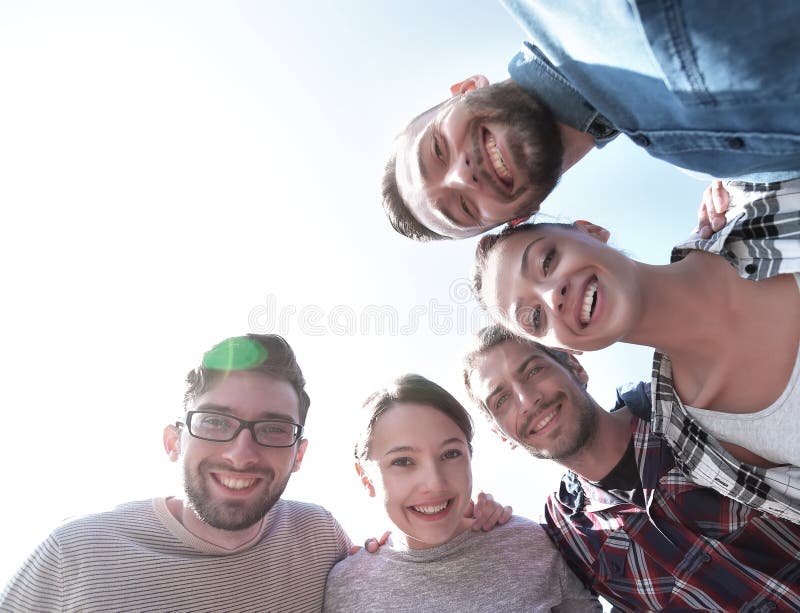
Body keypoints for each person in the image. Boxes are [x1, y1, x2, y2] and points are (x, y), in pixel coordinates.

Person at [0, 334, 508, 612]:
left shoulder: (317, 538)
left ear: (299, 454)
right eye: (216, 422)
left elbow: (399, 569)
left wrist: (465, 524)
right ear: (174, 441)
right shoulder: (75, 554)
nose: (242, 453)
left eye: (272, 429)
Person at [472, 178, 800, 521]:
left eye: (547, 260)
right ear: (564, 349)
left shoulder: (757, 199)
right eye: (535, 318)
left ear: (591, 231)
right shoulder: (702, 450)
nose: (552, 296)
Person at [382, 0, 800, 240]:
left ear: (466, 87)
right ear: (523, 214)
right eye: (463, 207)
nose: (462, 175)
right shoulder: (719, 165)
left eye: (437, 149)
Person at [463, 326, 800, 611]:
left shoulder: (685, 406)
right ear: (502, 435)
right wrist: (478, 529)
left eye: (534, 371)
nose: (527, 400)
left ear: (574, 367)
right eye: (501, 400)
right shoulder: (566, 533)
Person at [323, 373, 600, 612]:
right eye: (403, 461)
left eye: (450, 454)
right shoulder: (347, 586)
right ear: (366, 478)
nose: (435, 483)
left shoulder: (528, 544)